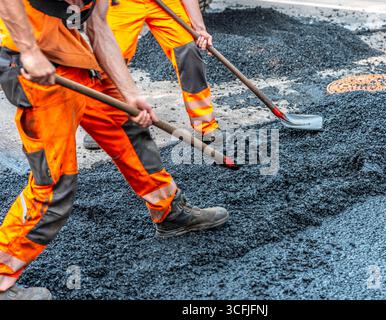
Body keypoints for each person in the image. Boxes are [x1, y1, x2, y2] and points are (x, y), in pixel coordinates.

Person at [0, 0, 228, 300]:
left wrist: (130, 93)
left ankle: (168, 210)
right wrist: (29, 50)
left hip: (75, 59)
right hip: (31, 66)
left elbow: (98, 27)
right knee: (55, 183)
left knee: (128, 128)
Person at [83, 0, 220, 150]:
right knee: (110, 58)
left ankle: (205, 124)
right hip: (122, 4)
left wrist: (199, 28)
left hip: (166, 3)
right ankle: (102, 123)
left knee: (188, 53)